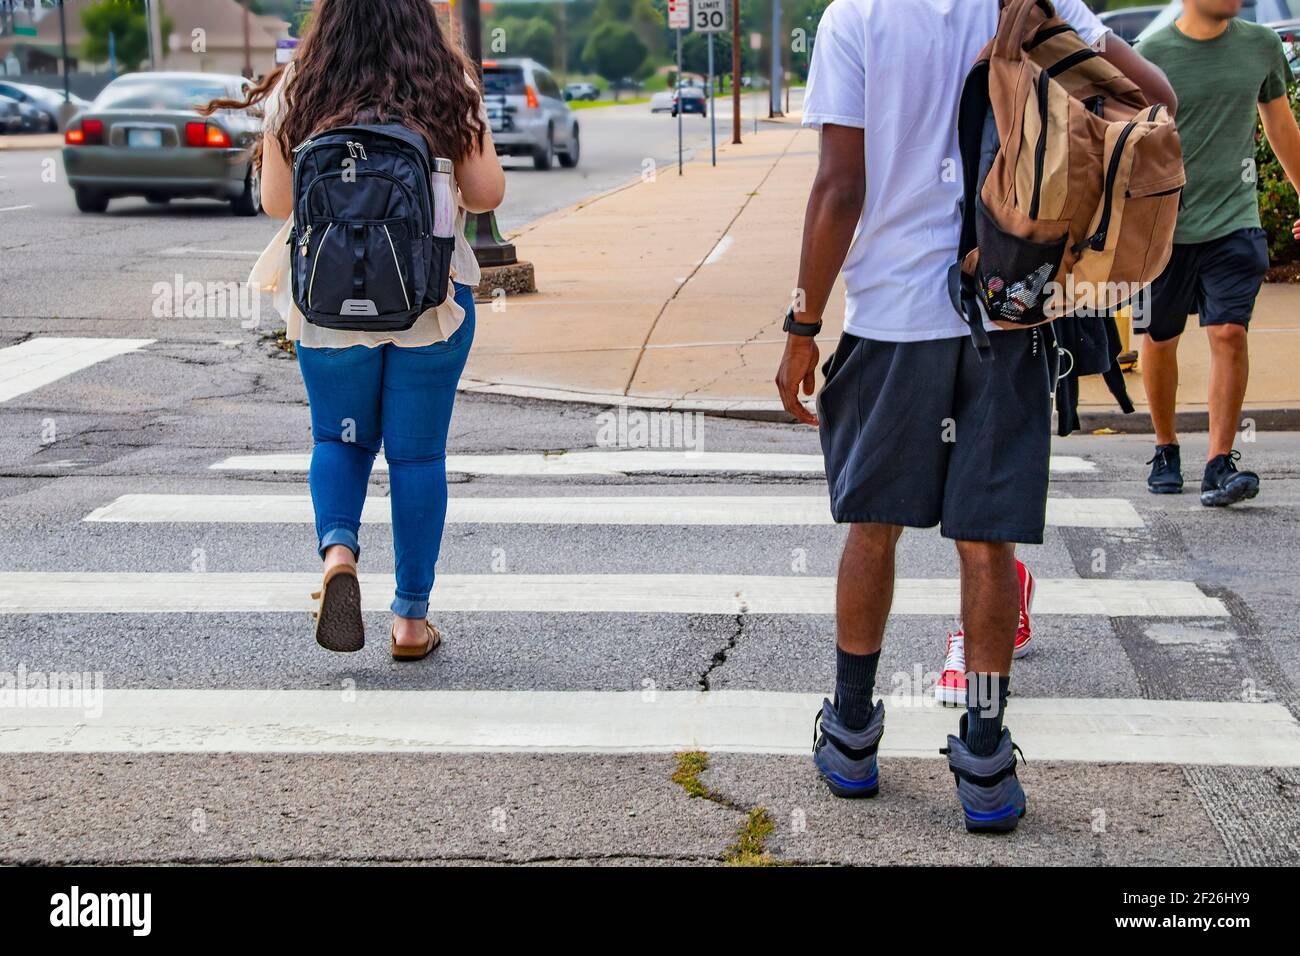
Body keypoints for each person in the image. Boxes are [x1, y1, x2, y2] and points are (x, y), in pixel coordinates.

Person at [776, 0, 1176, 831]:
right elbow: (1154, 93)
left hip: (893, 317)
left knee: (872, 526)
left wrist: (803, 323)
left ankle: (851, 734)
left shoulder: (856, 18)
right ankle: (985, 758)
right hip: (1012, 305)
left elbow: (840, 187)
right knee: (986, 542)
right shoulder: (1035, 2)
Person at [233, 0, 505, 660]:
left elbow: (277, 202)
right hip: (429, 303)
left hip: (328, 310)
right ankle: (411, 621)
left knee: (339, 439)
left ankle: (338, 555)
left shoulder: (301, 81)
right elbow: (487, 190)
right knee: (417, 457)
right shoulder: (447, 81)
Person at [1137, 0, 1300, 507]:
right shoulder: (1151, 55)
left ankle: (1218, 462)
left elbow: (1280, 128)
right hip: (1164, 229)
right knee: (1160, 338)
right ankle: (1166, 447)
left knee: (1228, 331)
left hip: (1235, 221)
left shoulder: (1262, 46)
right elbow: (1125, 144)